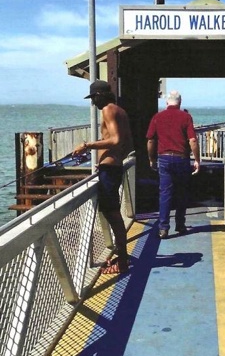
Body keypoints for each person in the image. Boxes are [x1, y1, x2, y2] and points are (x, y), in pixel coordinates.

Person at [73, 79, 133, 274]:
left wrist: (87, 145)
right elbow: (126, 143)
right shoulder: (120, 111)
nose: (93, 103)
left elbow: (115, 140)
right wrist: (110, 157)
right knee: (112, 214)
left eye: (93, 98)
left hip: (109, 172)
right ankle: (121, 256)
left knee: (113, 216)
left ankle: (122, 262)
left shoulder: (107, 109)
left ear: (100, 96)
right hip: (113, 168)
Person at [146, 90, 201, 239]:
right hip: (181, 159)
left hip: (163, 159)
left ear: (166, 103)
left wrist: (152, 159)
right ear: (180, 102)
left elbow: (150, 140)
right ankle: (180, 225)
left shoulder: (157, 117)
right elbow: (193, 141)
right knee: (182, 192)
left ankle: (163, 228)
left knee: (165, 193)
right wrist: (197, 160)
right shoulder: (186, 117)